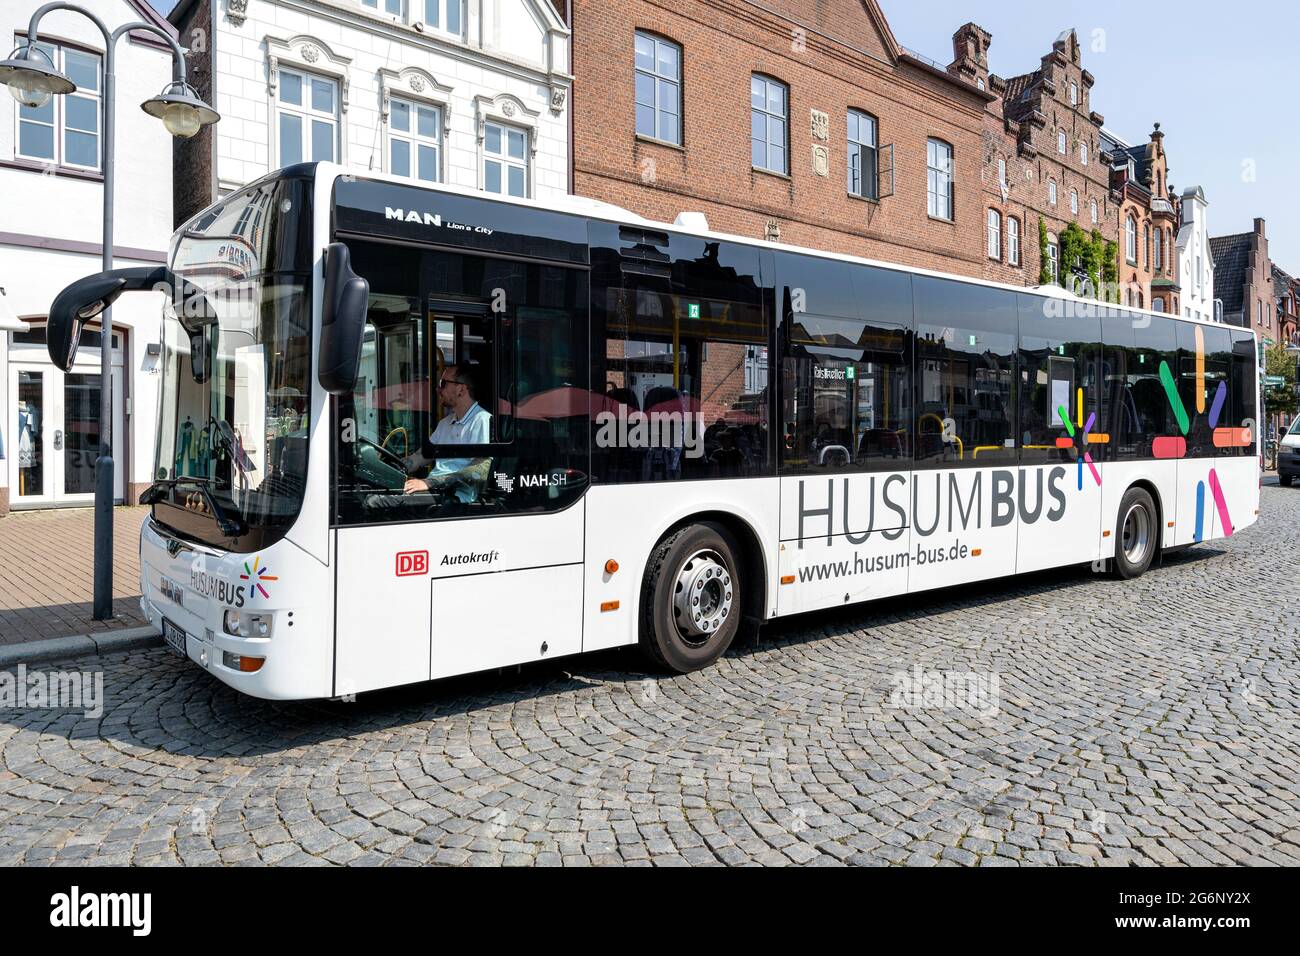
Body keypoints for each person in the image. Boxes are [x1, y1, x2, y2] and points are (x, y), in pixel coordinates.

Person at [402, 364, 492, 501]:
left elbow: (479, 470)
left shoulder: (482, 420)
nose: (438, 389)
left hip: (455, 497)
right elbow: (421, 456)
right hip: (436, 491)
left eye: (443, 384)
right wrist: (395, 467)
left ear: (461, 389)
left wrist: (429, 483)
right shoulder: (445, 423)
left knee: (379, 503)